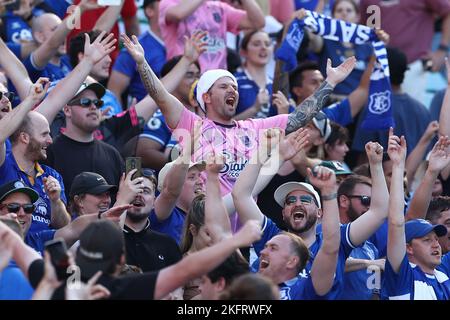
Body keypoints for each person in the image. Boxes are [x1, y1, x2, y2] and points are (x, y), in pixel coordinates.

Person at [122, 32, 356, 196]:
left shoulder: (253, 128)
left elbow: (301, 117)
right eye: (223, 86)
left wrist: (331, 82)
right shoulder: (191, 123)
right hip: (206, 222)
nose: (232, 89)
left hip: (244, 226)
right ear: (206, 96)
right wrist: (142, 63)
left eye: (234, 86)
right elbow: (160, 94)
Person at [233, 130, 390, 299]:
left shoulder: (336, 240)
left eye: (306, 200)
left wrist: (375, 165)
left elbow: (379, 211)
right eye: (290, 201)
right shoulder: (272, 238)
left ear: (320, 212)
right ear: (283, 213)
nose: (297, 203)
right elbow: (240, 195)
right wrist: (264, 149)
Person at [0, 214, 263, 300]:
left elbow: (12, 241)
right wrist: (237, 240)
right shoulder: (122, 289)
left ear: (79, 252)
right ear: (121, 258)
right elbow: (185, 269)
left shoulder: (54, 276)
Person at [383, 128, 450, 300]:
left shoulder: (442, 275)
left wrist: (434, 169)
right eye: (427, 240)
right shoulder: (402, 275)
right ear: (408, 248)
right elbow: (397, 223)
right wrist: (398, 166)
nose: (436, 245)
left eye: (435, 239)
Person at [0, 78, 71, 233]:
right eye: (44, 134)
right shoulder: (3, 164)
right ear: (25, 137)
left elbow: (64, 227)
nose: (50, 141)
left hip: (43, 249)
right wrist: (31, 99)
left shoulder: (52, 176)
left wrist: (55, 201)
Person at [0, 179, 130, 254]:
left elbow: (73, 229)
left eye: (28, 208)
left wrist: (102, 217)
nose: (22, 213)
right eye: (14, 207)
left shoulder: (37, 240)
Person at [359, 0, 450, 106]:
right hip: (378, 67)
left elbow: (448, 11)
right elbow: (363, 26)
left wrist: (442, 49)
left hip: (413, 66)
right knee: (377, 116)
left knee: (411, 116)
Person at [44, 81, 124, 199]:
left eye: (97, 103)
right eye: (85, 102)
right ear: (67, 110)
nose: (93, 107)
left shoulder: (112, 154)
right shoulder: (50, 151)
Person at [159, 0, 265, 71]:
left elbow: (258, 22)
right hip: (185, 79)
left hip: (216, 83)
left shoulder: (219, 7)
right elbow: (178, 14)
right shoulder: (169, 2)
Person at [108, 0, 166, 104]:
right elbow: (114, 92)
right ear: (149, 10)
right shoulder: (133, 49)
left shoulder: (186, 44)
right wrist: (123, 119)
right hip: (144, 117)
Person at [337, 174, 384, 300]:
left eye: (374, 203)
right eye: (365, 200)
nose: (370, 207)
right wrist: (369, 263)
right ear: (344, 201)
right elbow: (329, 263)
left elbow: (374, 292)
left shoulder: (372, 248)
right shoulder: (326, 232)